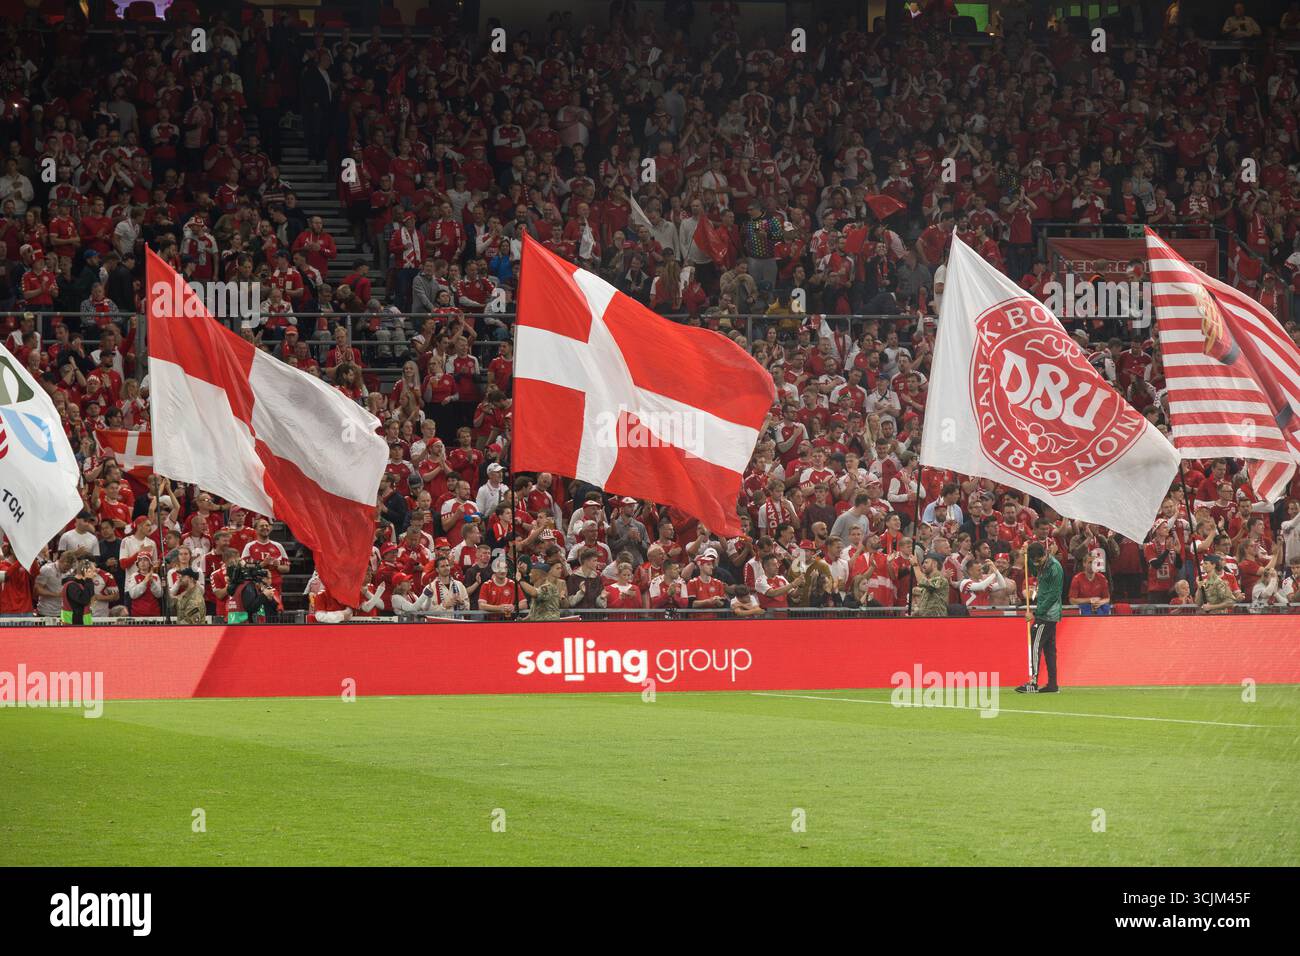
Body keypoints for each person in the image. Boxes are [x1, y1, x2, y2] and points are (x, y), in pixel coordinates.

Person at [1018, 541, 1063, 693]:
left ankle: (1033, 682)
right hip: (1047, 612)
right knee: (1049, 649)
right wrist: (1024, 556)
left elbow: (1053, 595)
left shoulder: (1054, 568)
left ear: (1044, 555)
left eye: (1037, 560)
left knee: (1035, 645)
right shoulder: (1043, 564)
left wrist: (1036, 613)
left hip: (1047, 614)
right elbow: (1033, 570)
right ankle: (1052, 684)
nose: (1036, 563)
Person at [909, 551, 949, 617]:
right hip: (926, 621)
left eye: (926, 562)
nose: (923, 565)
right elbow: (925, 607)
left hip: (937, 621)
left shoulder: (941, 580)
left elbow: (923, 582)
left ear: (934, 564)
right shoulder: (928, 584)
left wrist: (915, 565)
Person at [60, 559, 98, 625]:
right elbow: (84, 600)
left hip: (82, 624)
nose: (95, 574)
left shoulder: (83, 584)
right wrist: (89, 580)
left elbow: (90, 599)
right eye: (93, 571)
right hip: (73, 624)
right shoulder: (72, 585)